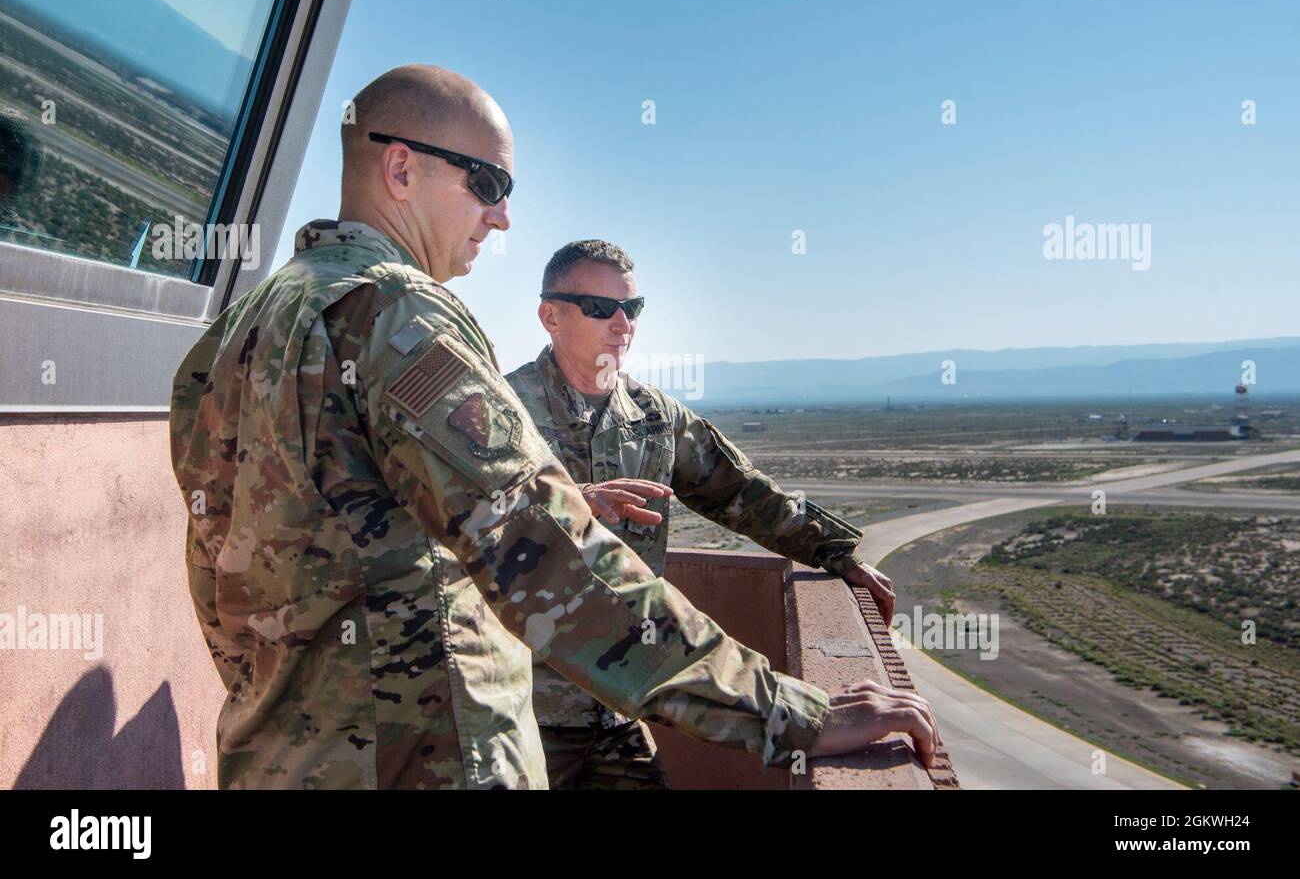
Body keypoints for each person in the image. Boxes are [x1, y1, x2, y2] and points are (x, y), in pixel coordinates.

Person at [169, 64, 939, 789]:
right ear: (401, 170)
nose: (503, 217)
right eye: (488, 183)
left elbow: (217, 574)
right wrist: (786, 711)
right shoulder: (395, 316)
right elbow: (542, 549)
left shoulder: (237, 329)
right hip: (419, 761)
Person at [505, 239, 898, 789]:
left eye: (632, 308)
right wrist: (569, 504)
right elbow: (456, 523)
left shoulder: (653, 419)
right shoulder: (503, 413)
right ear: (550, 315)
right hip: (523, 712)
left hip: (621, 701)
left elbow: (743, 494)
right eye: (600, 308)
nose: (622, 324)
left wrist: (835, 551)